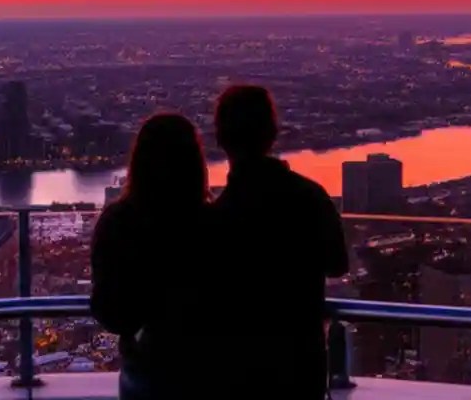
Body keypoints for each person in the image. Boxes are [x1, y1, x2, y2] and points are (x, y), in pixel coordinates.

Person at [210, 85, 349, 399]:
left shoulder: (216, 218)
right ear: (273, 135)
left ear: (221, 140)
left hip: (236, 366)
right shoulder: (311, 196)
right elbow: (338, 264)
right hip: (299, 361)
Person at [90, 113, 213, 399]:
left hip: (146, 368)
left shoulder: (118, 221)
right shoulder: (214, 221)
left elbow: (107, 308)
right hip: (207, 370)